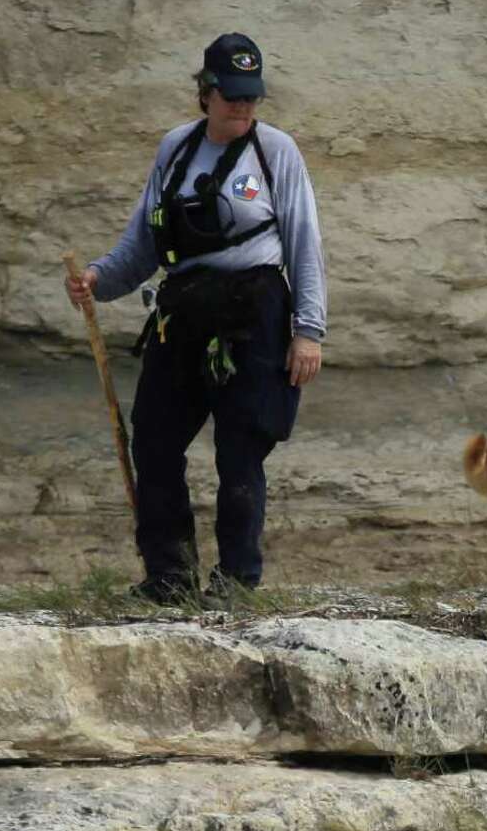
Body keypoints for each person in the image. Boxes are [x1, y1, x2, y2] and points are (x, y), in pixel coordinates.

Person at [65, 32, 327, 602]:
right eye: (231, 94)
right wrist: (96, 280)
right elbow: (142, 244)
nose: (243, 105)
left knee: (239, 447)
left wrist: (308, 331)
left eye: (251, 95)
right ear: (205, 92)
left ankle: (235, 580)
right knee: (154, 440)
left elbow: (305, 242)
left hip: (252, 314)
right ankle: (169, 575)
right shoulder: (174, 149)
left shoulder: (276, 151)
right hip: (181, 312)